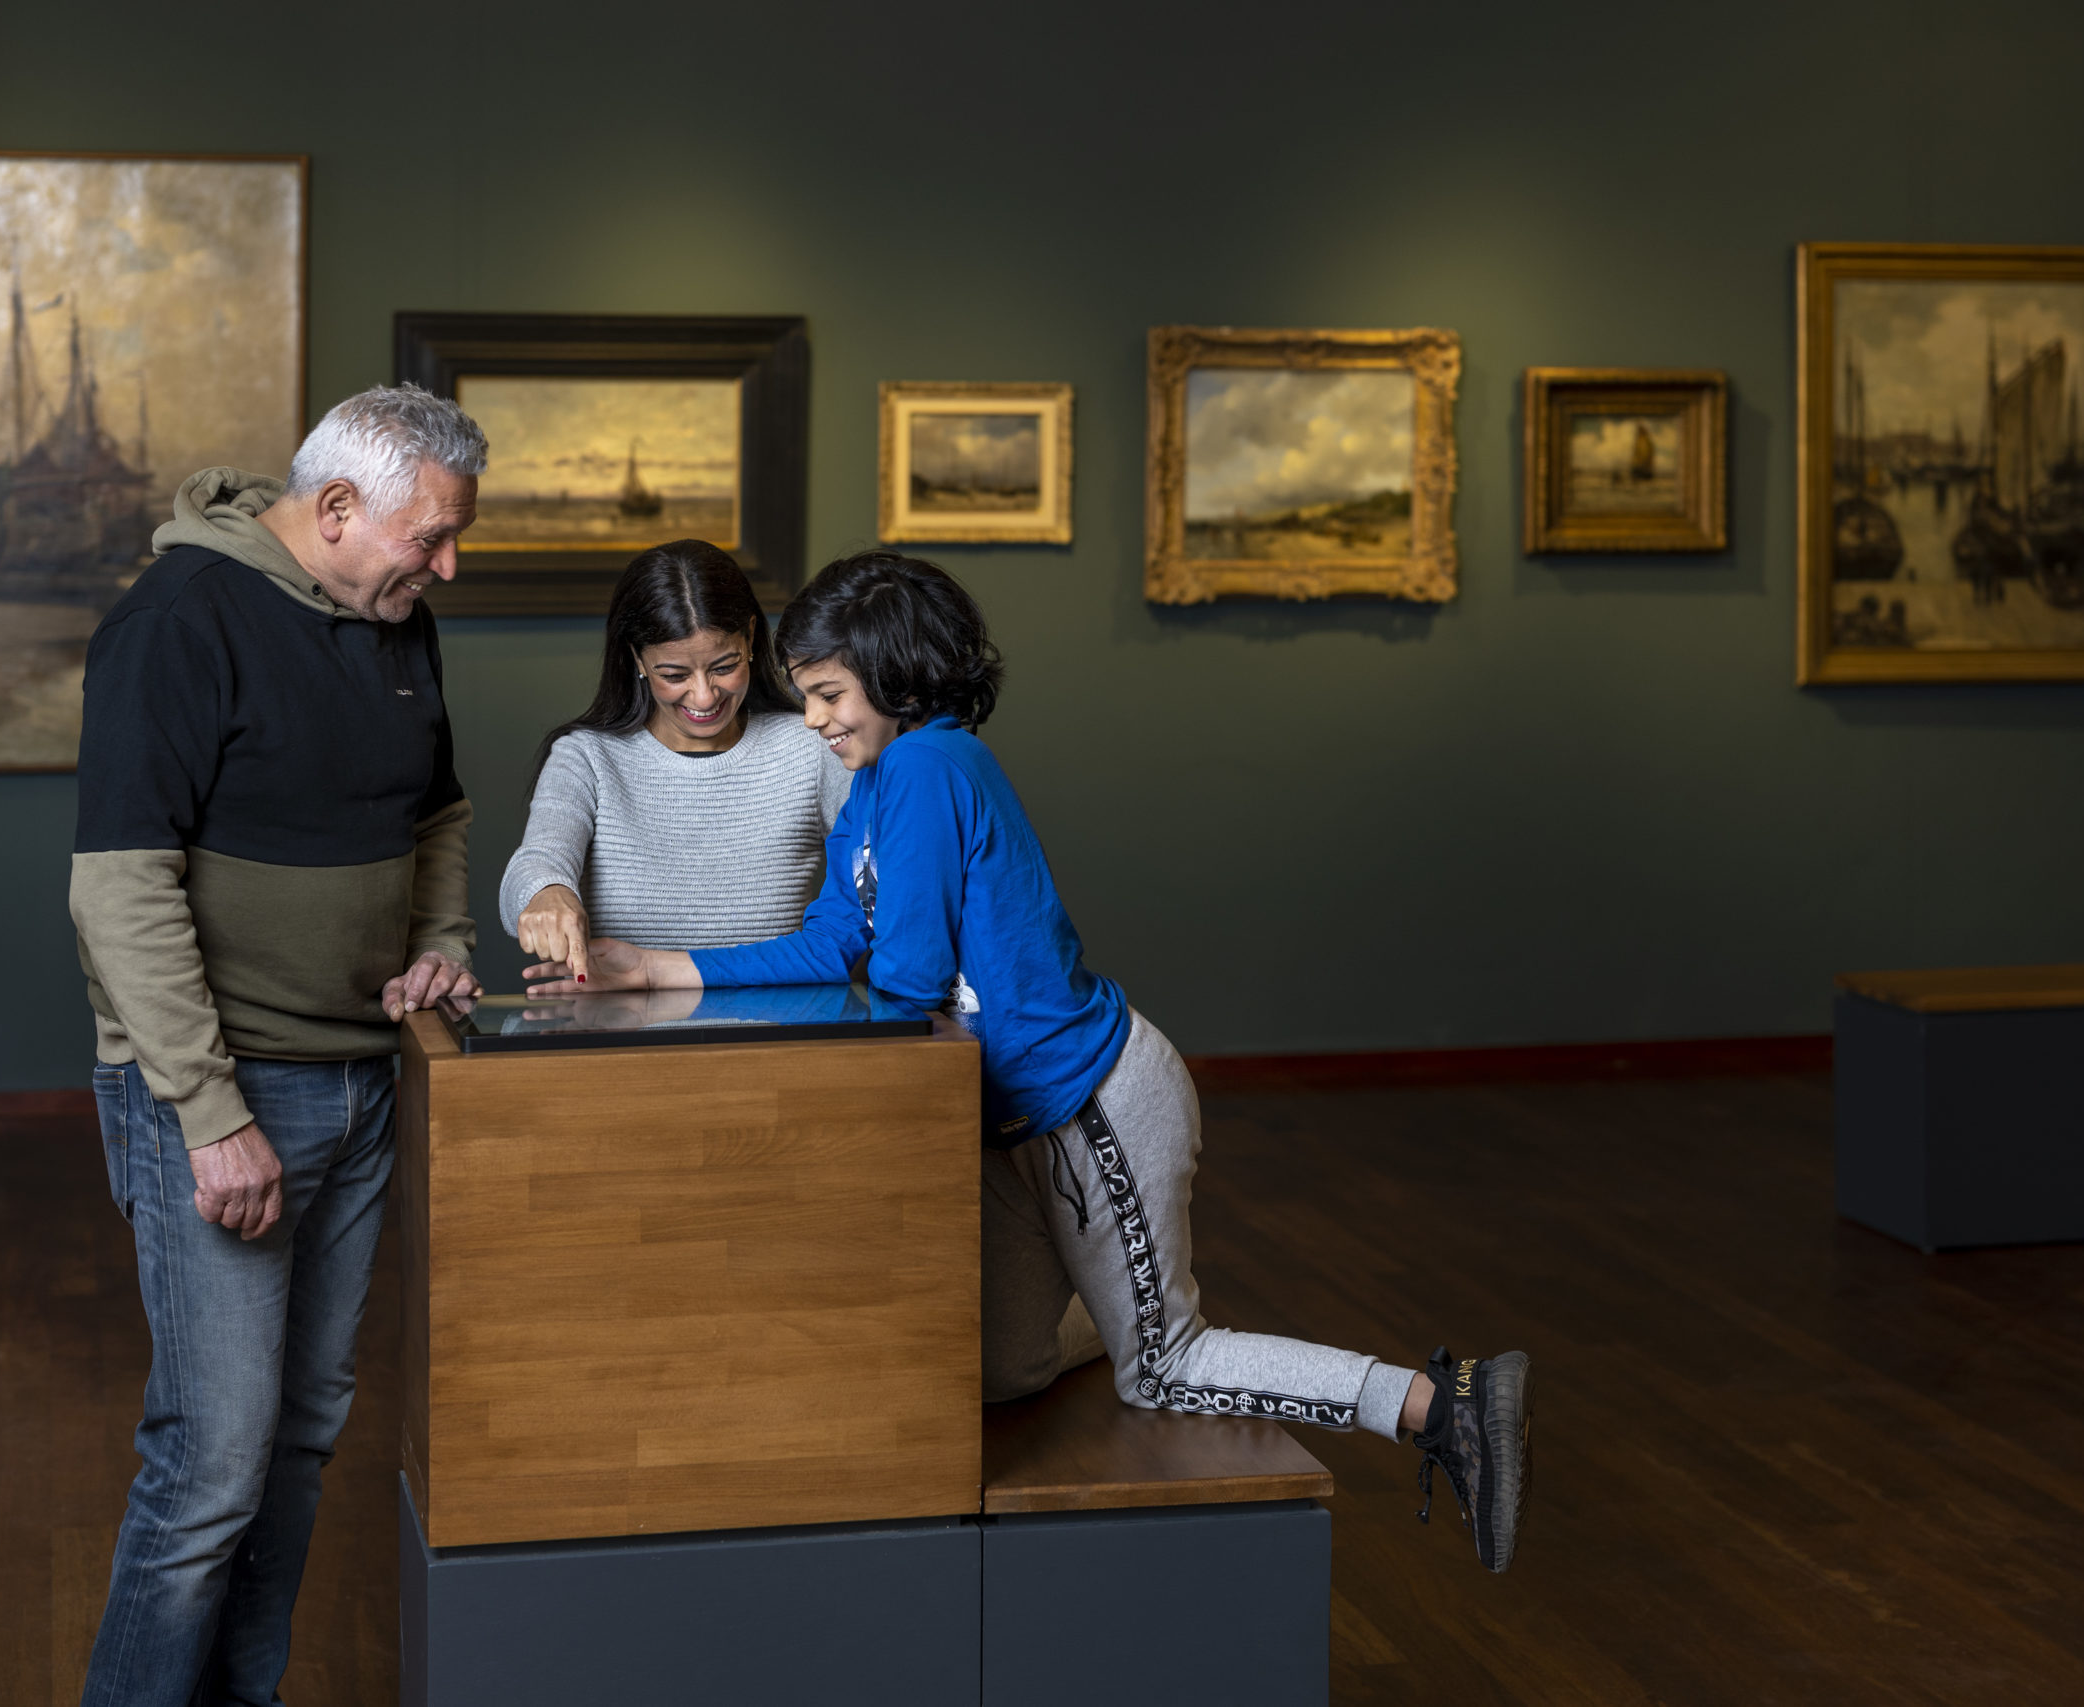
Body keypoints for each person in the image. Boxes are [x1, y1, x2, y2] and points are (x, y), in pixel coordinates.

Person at [524, 550, 1535, 1572]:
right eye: (809, 693)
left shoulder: (928, 766)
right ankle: (1125, 1293)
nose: (814, 716)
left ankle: (1435, 1401)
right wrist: (652, 969)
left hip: (1087, 1101)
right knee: (997, 1368)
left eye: (829, 693)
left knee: (1166, 1372)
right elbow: (834, 942)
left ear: (895, 675)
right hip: (1014, 1127)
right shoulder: (874, 784)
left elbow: (908, 980)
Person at [70, 383, 491, 1704]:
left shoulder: (395, 622)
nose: (447, 565)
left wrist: (447, 943)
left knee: (301, 1440)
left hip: (363, 1082)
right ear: (336, 507)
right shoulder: (177, 619)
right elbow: (117, 890)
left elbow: (440, 816)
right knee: (211, 1466)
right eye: (428, 538)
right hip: (225, 1095)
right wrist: (208, 1110)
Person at [500, 539, 848, 979]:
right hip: (622, 1040)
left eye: (724, 666)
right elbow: (536, 860)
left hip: (771, 1035)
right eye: (674, 675)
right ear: (637, 659)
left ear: (751, 638)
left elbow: (875, 881)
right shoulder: (585, 756)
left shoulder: (812, 746)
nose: (704, 696)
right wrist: (547, 891)